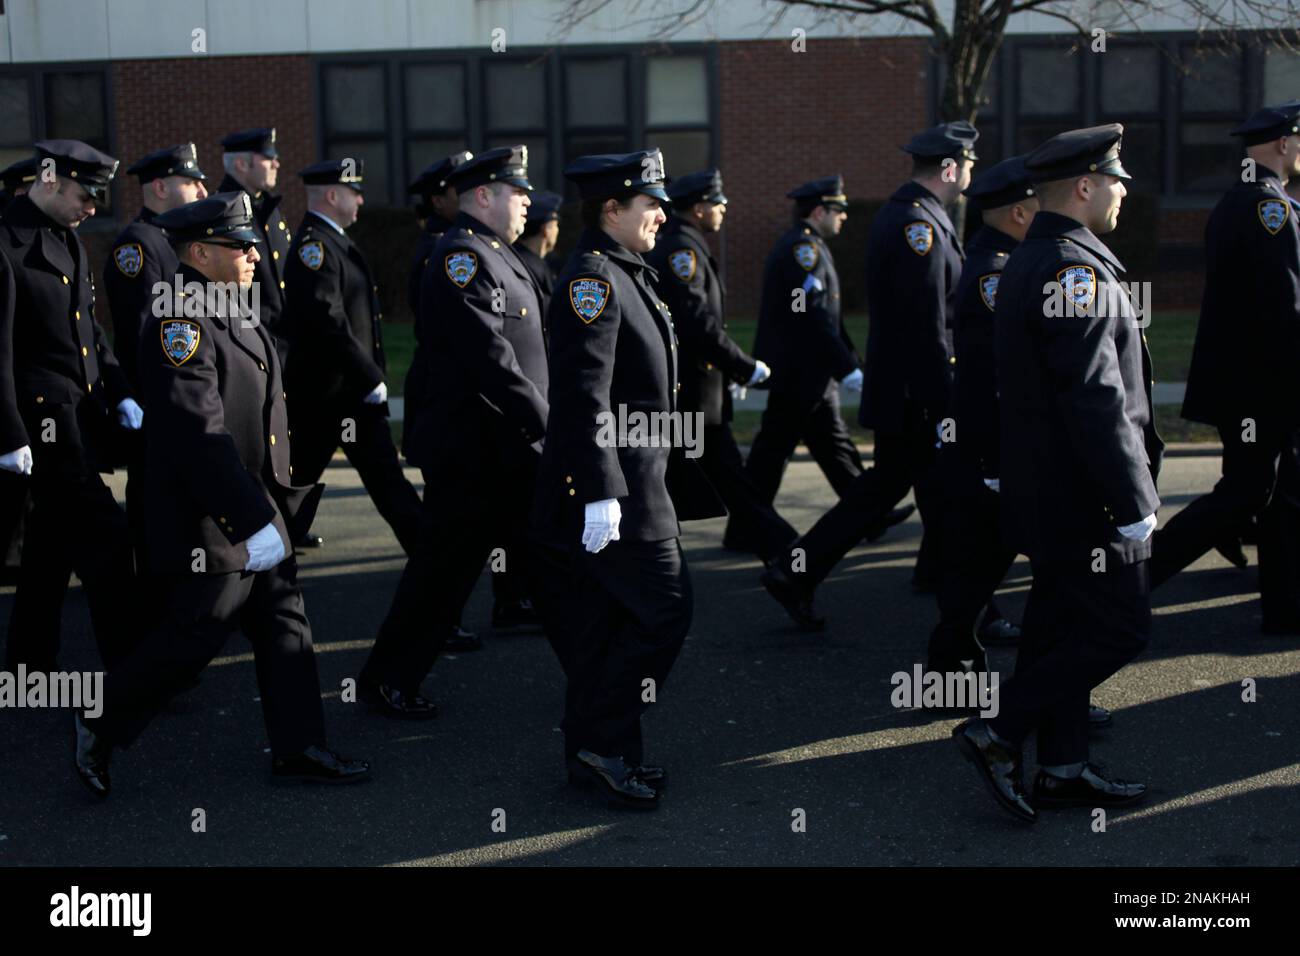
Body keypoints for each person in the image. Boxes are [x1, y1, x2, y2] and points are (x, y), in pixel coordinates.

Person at [73, 192, 370, 797]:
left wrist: (272, 506)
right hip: (212, 513)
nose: (255, 254)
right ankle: (100, 718)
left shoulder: (228, 304)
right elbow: (196, 431)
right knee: (196, 632)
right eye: (241, 246)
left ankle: (299, 747)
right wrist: (250, 518)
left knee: (286, 620)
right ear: (202, 252)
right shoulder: (178, 319)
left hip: (256, 504)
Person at [953, 124, 1160, 824]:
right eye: (1116, 179)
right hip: (1083, 495)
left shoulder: (1038, 256)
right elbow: (1095, 397)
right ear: (1084, 186)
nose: (1123, 190)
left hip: (1047, 489)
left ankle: (1064, 767)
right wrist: (1133, 499)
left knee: (1059, 625)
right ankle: (998, 732)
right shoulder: (1072, 268)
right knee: (1121, 626)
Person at [532, 149, 713, 811]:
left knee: (609, 625)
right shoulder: (594, 279)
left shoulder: (624, 270)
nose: (663, 213)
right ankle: (600, 743)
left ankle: (602, 752)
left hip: (639, 480)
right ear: (611, 209)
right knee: (666, 610)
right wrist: (601, 488)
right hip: (619, 491)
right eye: (649, 202)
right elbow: (584, 393)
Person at [361, 146, 548, 716]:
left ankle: (604, 683)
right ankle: (387, 680)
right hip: (475, 453)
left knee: (538, 563)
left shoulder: (498, 253)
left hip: (503, 448)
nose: (528, 202)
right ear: (485, 196)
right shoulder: (462, 258)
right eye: (518, 192)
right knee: (441, 572)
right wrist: (547, 423)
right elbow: (489, 358)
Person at [1150, 102, 1300, 633]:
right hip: (1266, 385)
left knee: (1261, 493)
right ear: (1284, 144)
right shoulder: (1267, 207)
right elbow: (1283, 307)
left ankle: (1284, 607)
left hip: (1251, 383)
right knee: (1254, 494)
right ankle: (1128, 585)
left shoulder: (1248, 200)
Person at [0, 140, 142, 672]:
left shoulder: (68, 240)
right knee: (107, 538)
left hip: (79, 412)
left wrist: (121, 389)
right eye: (85, 195)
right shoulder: (7, 245)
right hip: (43, 422)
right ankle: (136, 671)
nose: (93, 208)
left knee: (49, 548)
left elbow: (88, 330)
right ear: (50, 179)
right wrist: (9, 432)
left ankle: (27, 666)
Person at [646, 167, 797, 565]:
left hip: (699, 395)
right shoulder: (682, 251)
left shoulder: (689, 246)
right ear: (699, 208)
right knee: (726, 483)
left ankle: (786, 556)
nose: (723, 211)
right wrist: (743, 367)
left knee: (724, 483)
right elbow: (699, 326)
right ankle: (793, 558)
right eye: (719, 204)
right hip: (693, 398)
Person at [281, 159, 422, 556]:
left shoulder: (332, 241)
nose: (360, 198)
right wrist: (369, 375)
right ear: (331, 195)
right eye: (353, 190)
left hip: (343, 398)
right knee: (294, 487)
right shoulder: (315, 247)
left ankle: (431, 564)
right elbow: (328, 319)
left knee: (384, 481)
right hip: (331, 397)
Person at [724, 175, 862, 551]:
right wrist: (846, 367)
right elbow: (810, 314)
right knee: (774, 453)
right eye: (839, 210)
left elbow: (816, 313)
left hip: (803, 373)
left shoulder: (806, 245)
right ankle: (867, 510)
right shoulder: (805, 250)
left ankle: (868, 511)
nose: (843, 218)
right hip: (803, 373)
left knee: (821, 446)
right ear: (820, 211)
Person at [103, 143, 209, 574]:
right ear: (161, 186)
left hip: (176, 392)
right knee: (153, 497)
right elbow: (146, 328)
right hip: (154, 396)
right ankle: (152, 583)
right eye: (191, 181)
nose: (202, 189)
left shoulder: (171, 240)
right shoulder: (139, 244)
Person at [218, 127, 292, 363]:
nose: (276, 164)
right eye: (268, 158)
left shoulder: (267, 208)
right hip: (249, 347)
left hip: (285, 348)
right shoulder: (221, 212)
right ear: (241, 164)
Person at [514, 189, 562, 317]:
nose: (558, 230)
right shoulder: (531, 268)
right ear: (546, 229)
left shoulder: (520, 259)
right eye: (556, 225)